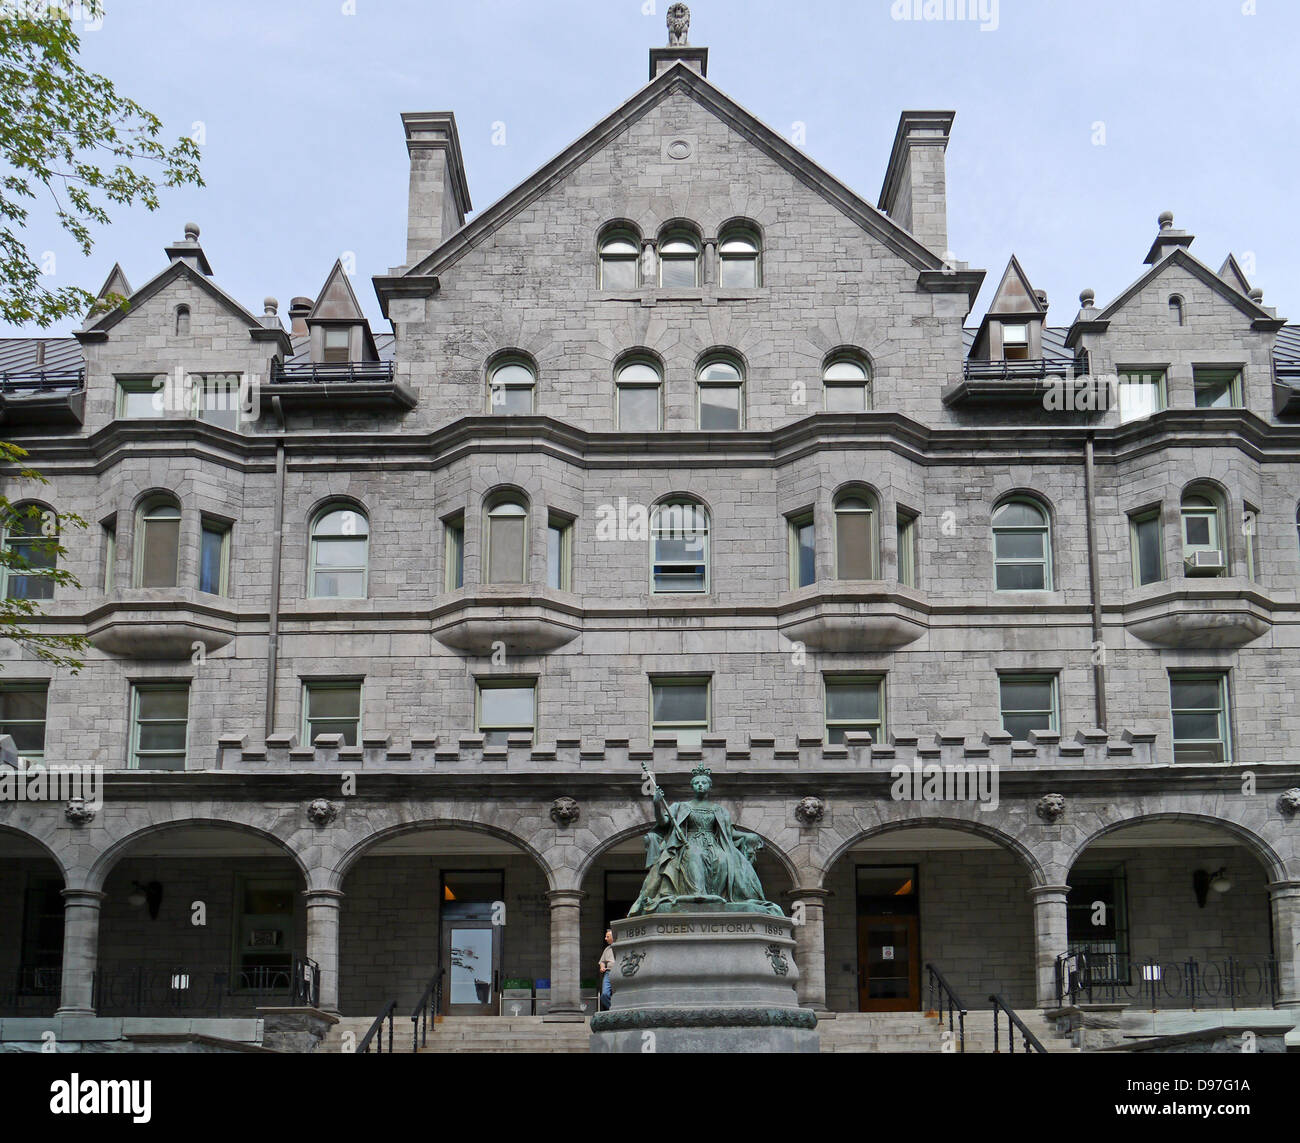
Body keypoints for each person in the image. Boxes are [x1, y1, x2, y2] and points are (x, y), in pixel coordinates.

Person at [598, 927, 615, 1011]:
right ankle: (613, 1010)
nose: (605, 939)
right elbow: (602, 961)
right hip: (608, 973)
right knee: (604, 995)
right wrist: (602, 967)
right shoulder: (607, 949)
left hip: (620, 972)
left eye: (607, 937)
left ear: (613, 937)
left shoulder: (621, 946)